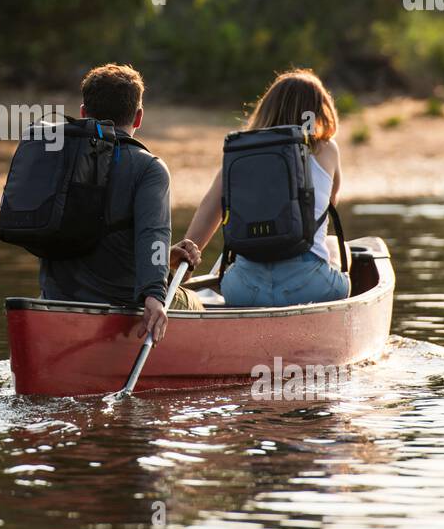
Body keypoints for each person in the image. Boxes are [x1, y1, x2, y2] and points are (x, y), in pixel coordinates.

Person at [40, 63, 203, 343]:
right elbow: (152, 234)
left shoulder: (56, 157)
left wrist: (166, 256)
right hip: (120, 298)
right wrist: (154, 295)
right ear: (138, 118)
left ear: (82, 112)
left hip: (56, 299)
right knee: (197, 303)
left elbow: (94, 238)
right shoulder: (149, 168)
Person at [179, 69, 351, 307]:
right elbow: (329, 206)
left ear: (267, 108)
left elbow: (208, 213)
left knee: (227, 259)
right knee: (333, 244)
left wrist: (181, 273)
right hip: (310, 288)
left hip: (243, 291)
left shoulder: (238, 154)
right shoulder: (327, 150)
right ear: (319, 111)